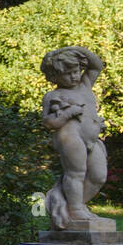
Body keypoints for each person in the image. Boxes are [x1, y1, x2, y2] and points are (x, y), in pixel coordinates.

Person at [40, 46, 108, 229]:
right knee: (75, 173)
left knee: (98, 176)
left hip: (91, 140)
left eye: (76, 71)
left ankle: (69, 203)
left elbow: (97, 66)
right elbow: (48, 123)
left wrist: (75, 49)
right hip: (70, 137)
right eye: (68, 73)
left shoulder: (85, 85)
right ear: (54, 76)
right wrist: (69, 112)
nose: (74, 76)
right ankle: (76, 209)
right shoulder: (53, 96)